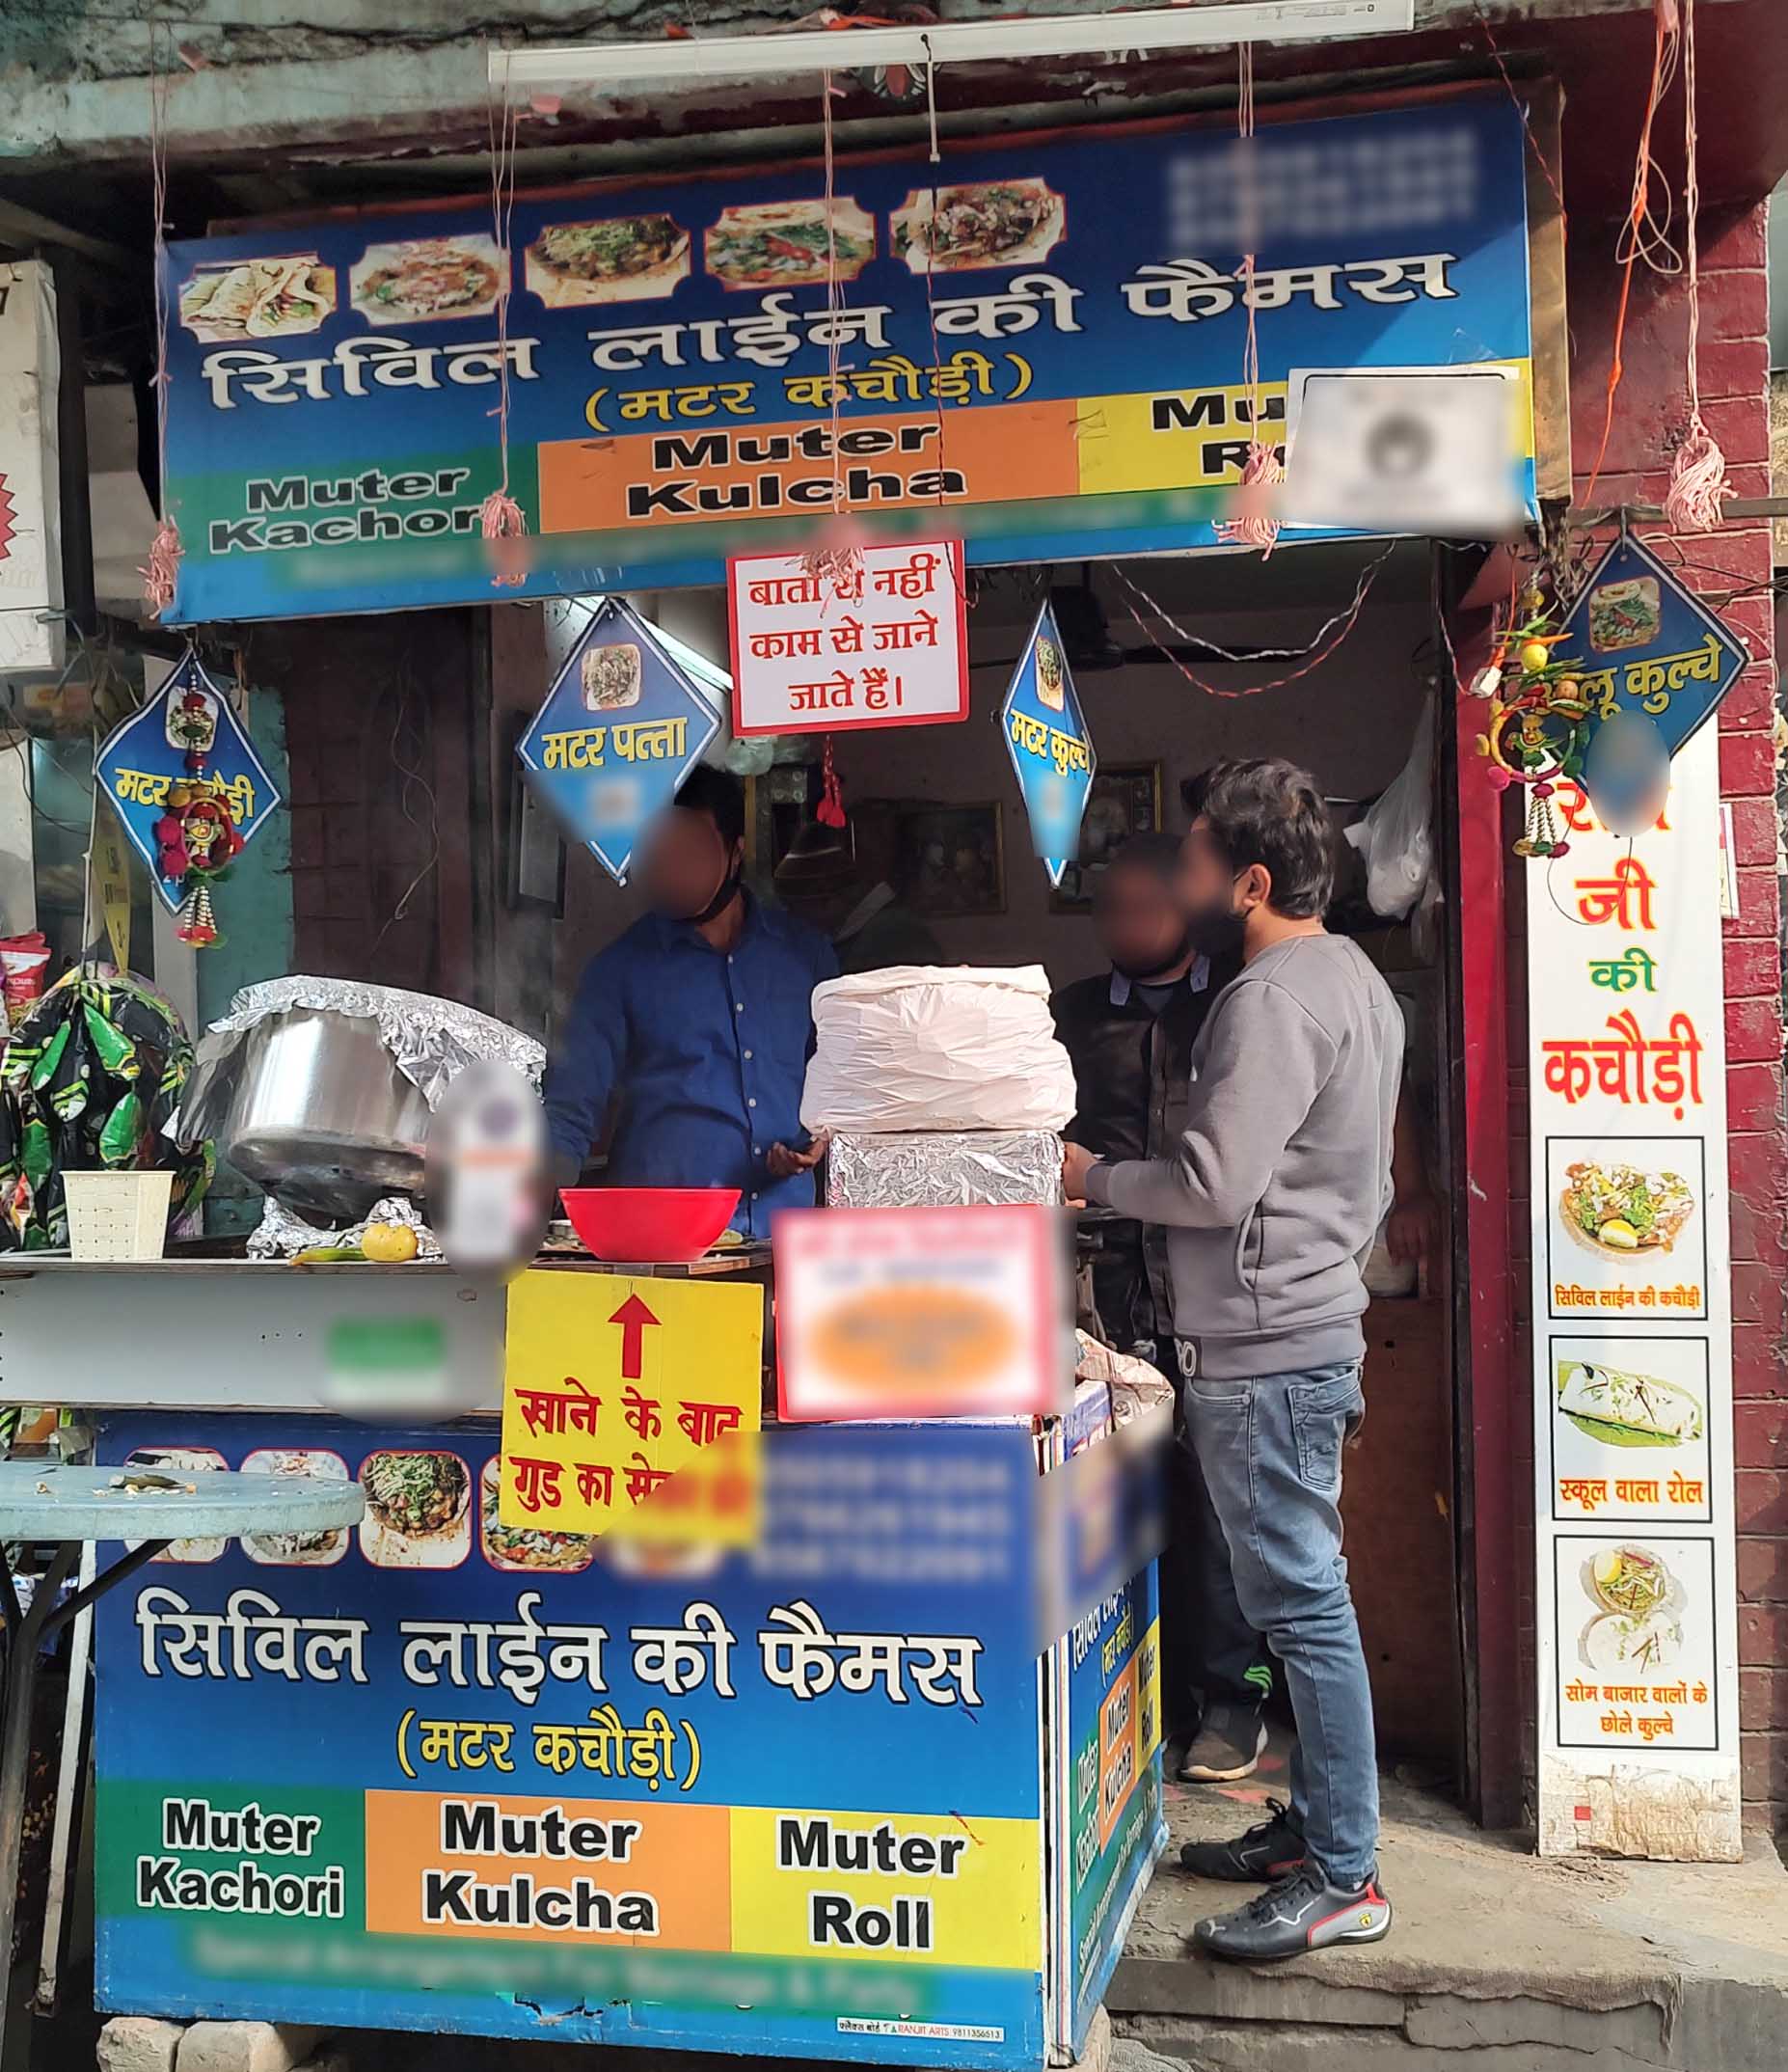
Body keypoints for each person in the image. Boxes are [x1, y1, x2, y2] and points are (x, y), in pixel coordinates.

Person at [1063, 758, 1402, 1963]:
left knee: (1304, 1607)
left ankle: (1347, 1874)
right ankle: (1313, 1832)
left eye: (1198, 861)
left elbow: (1210, 1188)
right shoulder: (1355, 979)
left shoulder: (1268, 1000)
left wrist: (1090, 1179)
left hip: (1266, 1350)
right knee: (1303, 1598)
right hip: (1303, 1331)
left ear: (1248, 883)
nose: (1179, 877)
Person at [1049, 836, 1273, 1784]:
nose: (1129, 925)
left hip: (1214, 1288)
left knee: (1219, 1501)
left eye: (1149, 905)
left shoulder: (1235, 1007)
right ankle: (1126, 1700)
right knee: (1112, 1492)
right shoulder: (1061, 1018)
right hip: (1101, 1291)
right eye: (1113, 911)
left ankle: (1228, 1703)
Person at [544, 765, 838, 1240]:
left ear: (735, 854)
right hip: (665, 1244)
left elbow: (840, 1080)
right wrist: (537, 1186)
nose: (672, 870)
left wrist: (818, 1141)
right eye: (657, 853)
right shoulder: (618, 970)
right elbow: (571, 1104)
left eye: (690, 852)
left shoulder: (806, 957)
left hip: (788, 1236)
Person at [772, 801, 943, 974]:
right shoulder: (868, 931)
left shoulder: (891, 934)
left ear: (828, 901)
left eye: (795, 909)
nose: (792, 918)